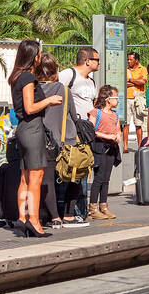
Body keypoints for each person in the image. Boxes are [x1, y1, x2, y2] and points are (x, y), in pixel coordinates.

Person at [8, 39, 62, 237]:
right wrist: (49, 100)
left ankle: (22, 219)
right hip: (33, 128)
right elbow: (30, 107)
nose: (40, 57)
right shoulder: (28, 78)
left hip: (22, 129)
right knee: (36, 177)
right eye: (38, 53)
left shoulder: (16, 76)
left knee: (24, 176)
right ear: (33, 56)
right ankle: (35, 221)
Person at [37, 53, 86, 227]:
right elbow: (73, 115)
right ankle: (69, 214)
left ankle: (53, 217)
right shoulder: (63, 90)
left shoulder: (34, 90)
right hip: (67, 140)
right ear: (55, 70)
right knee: (74, 177)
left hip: (44, 140)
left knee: (47, 179)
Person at [57, 47, 98, 218]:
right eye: (96, 59)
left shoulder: (91, 81)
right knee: (69, 170)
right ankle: (65, 211)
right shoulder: (68, 74)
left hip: (86, 132)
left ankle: (78, 210)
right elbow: (55, 90)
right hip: (71, 131)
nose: (98, 63)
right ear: (87, 61)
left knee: (82, 170)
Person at [89, 85, 120, 220]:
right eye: (116, 98)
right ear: (108, 99)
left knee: (106, 179)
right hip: (100, 148)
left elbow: (117, 129)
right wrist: (107, 136)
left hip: (111, 149)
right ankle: (93, 208)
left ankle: (104, 206)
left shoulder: (115, 115)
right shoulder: (96, 113)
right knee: (99, 178)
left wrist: (118, 135)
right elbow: (91, 131)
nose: (118, 100)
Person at [124, 51, 148, 154]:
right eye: (128, 59)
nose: (129, 61)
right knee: (126, 123)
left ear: (136, 60)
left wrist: (130, 80)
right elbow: (124, 82)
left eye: (131, 59)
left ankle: (139, 146)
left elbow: (142, 81)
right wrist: (135, 81)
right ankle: (125, 146)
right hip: (127, 98)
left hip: (138, 99)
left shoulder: (143, 69)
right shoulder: (125, 69)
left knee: (139, 123)